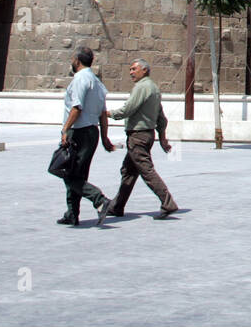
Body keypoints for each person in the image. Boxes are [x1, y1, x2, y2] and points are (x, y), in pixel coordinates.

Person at [109, 59, 179, 219]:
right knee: (128, 171)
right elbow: (161, 118)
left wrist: (109, 114)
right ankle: (117, 206)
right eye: (130, 69)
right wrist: (162, 139)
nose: (131, 72)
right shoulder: (154, 89)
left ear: (145, 70)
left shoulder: (141, 87)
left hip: (138, 136)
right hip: (146, 135)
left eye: (134, 69)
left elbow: (128, 109)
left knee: (146, 170)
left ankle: (168, 202)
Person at [58, 45, 116, 226]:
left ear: (77, 60)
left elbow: (76, 108)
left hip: (79, 131)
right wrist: (105, 137)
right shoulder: (97, 82)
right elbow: (102, 113)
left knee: (67, 173)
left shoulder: (80, 79)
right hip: (92, 132)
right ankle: (72, 213)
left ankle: (99, 200)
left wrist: (65, 129)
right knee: (77, 173)